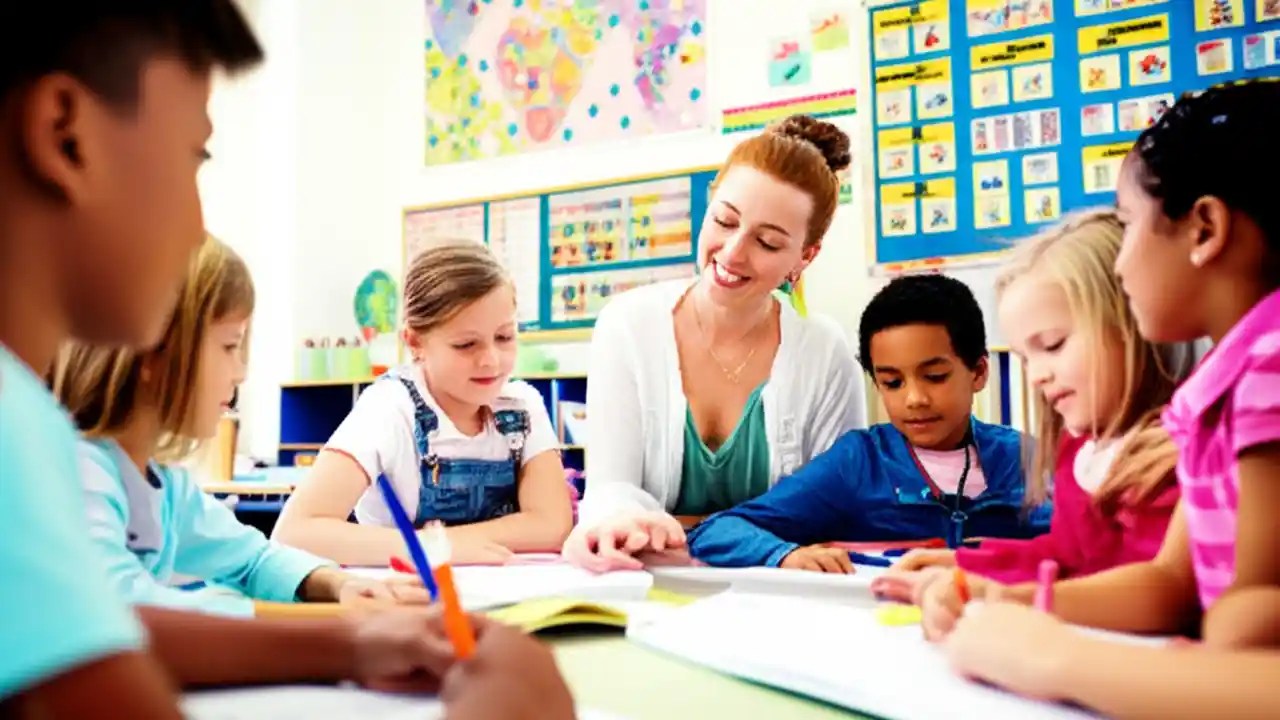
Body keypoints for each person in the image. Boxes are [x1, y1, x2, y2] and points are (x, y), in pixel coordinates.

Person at [0, 5, 572, 718]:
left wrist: (350, 638)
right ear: (65, 135)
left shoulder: (32, 427)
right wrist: (511, 705)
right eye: (192, 158)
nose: (198, 228)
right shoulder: (18, 437)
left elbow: (114, 628)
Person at [932, 81, 1280, 718]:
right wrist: (1001, 598)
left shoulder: (1268, 363)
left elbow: (1254, 616)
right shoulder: (1225, 385)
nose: (1121, 266)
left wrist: (1053, 659)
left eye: (1126, 225)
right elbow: (1172, 582)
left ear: (1204, 228)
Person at [53, 237, 429, 616]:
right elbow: (122, 608)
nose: (241, 372)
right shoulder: (80, 472)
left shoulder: (165, 487)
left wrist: (341, 585)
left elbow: (254, 559)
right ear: (150, 348)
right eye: (229, 346)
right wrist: (335, 619)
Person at [565, 115, 867, 572]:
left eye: (767, 242)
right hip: (649, 578)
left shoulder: (825, 354)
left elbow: (833, 507)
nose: (732, 252)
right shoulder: (627, 324)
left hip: (779, 585)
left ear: (805, 256)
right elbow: (610, 488)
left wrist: (695, 531)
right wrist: (624, 521)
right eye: (724, 221)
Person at [874, 211, 1192, 603]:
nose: (1037, 375)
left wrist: (1000, 594)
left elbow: (1156, 593)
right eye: (1026, 358)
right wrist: (965, 564)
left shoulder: (1172, 461)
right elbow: (1063, 556)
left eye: (1053, 345)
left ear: (1133, 324)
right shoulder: (1079, 451)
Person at [686, 274, 1046, 571]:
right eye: (892, 382)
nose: (915, 398)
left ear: (978, 372)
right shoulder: (858, 462)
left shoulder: (1024, 458)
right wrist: (784, 555)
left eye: (935, 377)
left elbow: (1074, 546)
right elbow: (716, 531)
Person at [273, 242, 574, 566]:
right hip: (409, 591)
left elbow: (552, 525)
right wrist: (434, 549)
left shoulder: (522, 406)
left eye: (504, 337)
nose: (490, 360)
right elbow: (295, 533)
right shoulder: (390, 408)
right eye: (466, 344)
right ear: (415, 342)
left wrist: (448, 543)